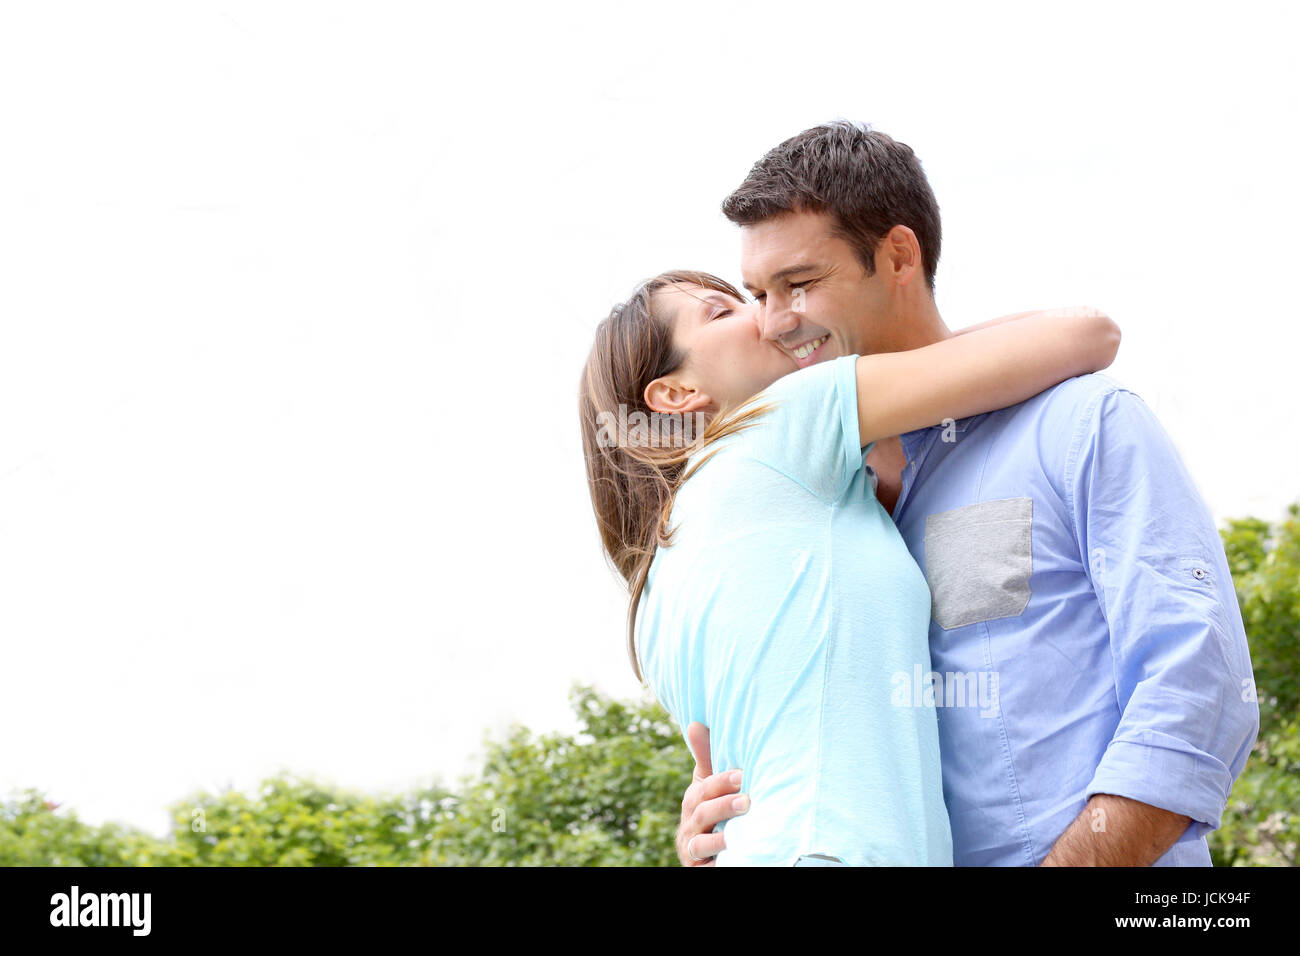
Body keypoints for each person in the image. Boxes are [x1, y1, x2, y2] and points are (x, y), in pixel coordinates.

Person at [675, 121, 1260, 867]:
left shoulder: (1079, 423)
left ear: (898, 256)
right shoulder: (808, 509)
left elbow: (1198, 686)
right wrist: (725, 828)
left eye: (801, 283)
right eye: (758, 294)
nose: (773, 322)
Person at [578, 266, 1120, 865]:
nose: (766, 317)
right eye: (722, 312)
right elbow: (1088, 334)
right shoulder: (785, 420)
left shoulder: (655, 589)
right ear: (676, 395)